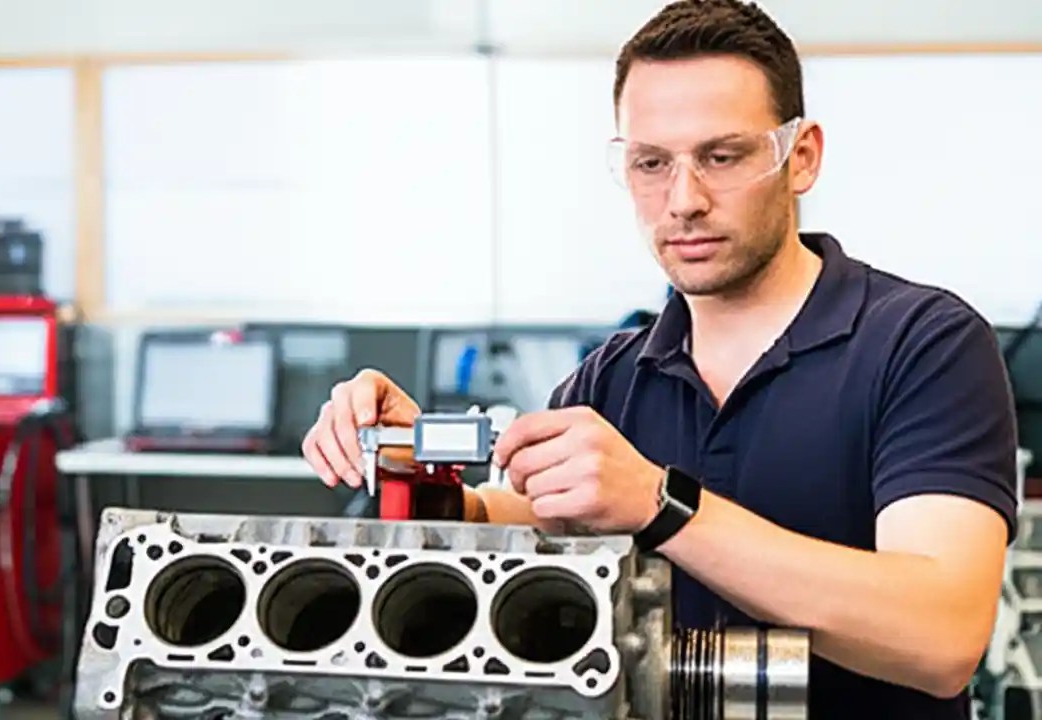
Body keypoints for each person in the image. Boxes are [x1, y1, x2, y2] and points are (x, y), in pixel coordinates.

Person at [301, 1, 1018, 718]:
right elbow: (510, 530)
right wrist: (416, 471)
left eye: (722, 156)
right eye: (651, 163)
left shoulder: (923, 343)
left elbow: (941, 636)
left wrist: (658, 504)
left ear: (800, 158)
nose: (683, 201)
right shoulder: (608, 379)